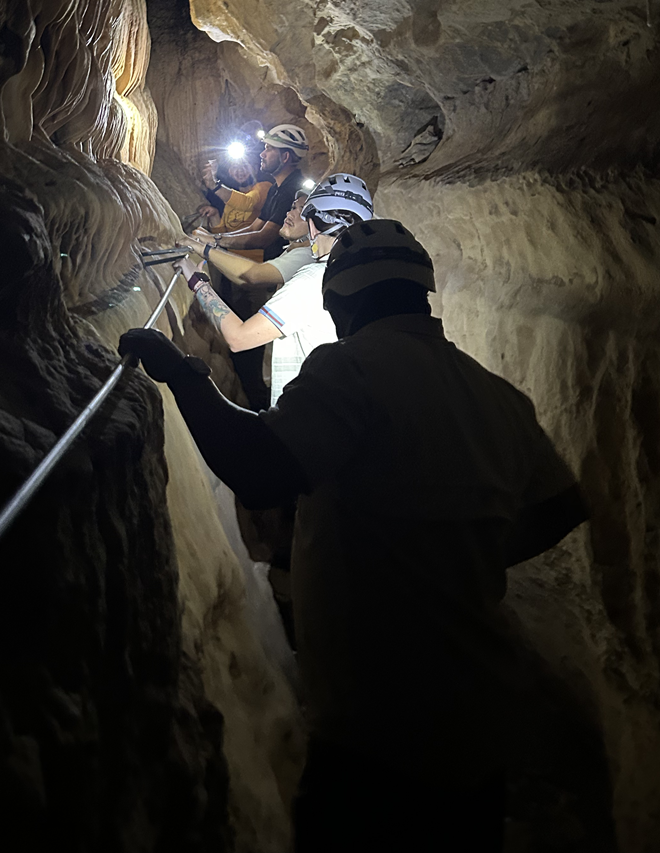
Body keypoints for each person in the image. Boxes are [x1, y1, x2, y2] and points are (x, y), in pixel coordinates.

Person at [120, 220, 588, 852]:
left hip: (379, 717)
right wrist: (466, 560)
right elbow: (560, 507)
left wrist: (180, 373)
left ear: (343, 298)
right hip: (476, 717)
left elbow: (259, 470)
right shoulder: (495, 394)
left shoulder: (351, 369)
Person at [182, 174, 375, 405]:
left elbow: (238, 337)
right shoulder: (356, 273)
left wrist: (198, 282)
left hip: (302, 415)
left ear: (312, 224)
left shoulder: (314, 278)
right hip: (335, 406)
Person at [193, 123, 310, 261]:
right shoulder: (276, 188)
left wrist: (214, 240)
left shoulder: (292, 190)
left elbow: (263, 238)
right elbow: (254, 227)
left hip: (286, 267)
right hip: (272, 264)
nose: (262, 154)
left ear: (284, 157)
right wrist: (214, 238)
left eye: (269, 149)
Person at [196, 153, 274, 236]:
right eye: (235, 166)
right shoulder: (229, 198)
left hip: (255, 248)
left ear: (255, 169)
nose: (240, 170)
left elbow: (247, 203)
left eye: (245, 165)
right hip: (228, 249)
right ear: (230, 172)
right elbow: (222, 235)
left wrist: (213, 185)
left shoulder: (264, 187)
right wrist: (214, 215)